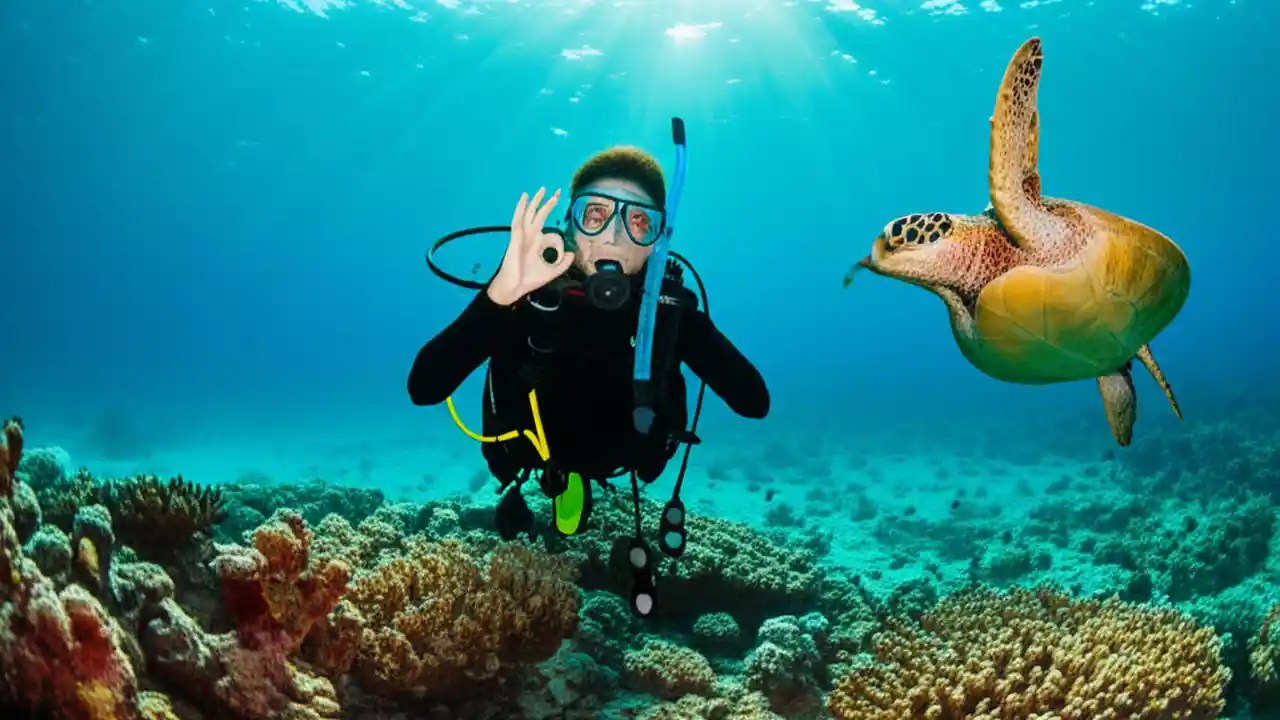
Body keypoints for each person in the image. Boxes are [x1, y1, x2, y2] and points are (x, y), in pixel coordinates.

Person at [408, 144, 769, 614]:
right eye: (595, 213)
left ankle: (577, 485)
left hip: (624, 452)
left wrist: (688, 323)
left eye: (639, 221)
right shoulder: (525, 296)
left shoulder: (667, 312)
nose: (615, 238)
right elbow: (424, 388)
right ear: (570, 226)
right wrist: (497, 299)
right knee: (554, 478)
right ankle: (565, 484)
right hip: (538, 450)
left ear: (659, 240)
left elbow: (753, 401)